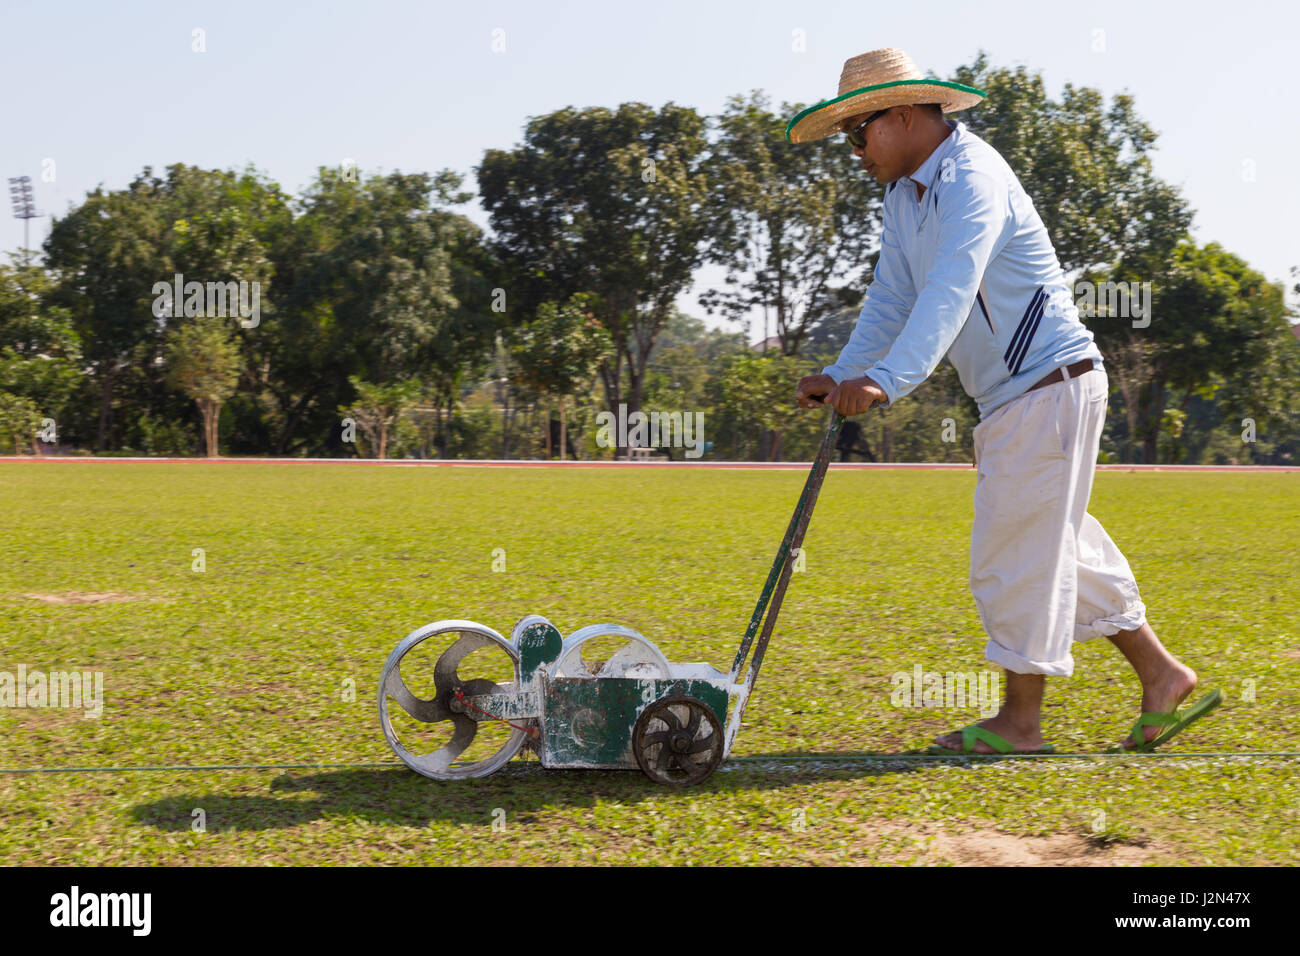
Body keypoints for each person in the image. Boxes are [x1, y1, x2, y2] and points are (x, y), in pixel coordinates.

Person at [787, 49, 1220, 754]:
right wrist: (843, 371)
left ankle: (1020, 724)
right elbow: (893, 298)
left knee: (1013, 553)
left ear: (900, 114)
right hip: (1018, 399)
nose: (854, 151)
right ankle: (1162, 674)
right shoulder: (904, 197)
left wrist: (888, 380)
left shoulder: (974, 180)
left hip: (1048, 386)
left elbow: (950, 291)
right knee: (1060, 551)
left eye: (856, 133)